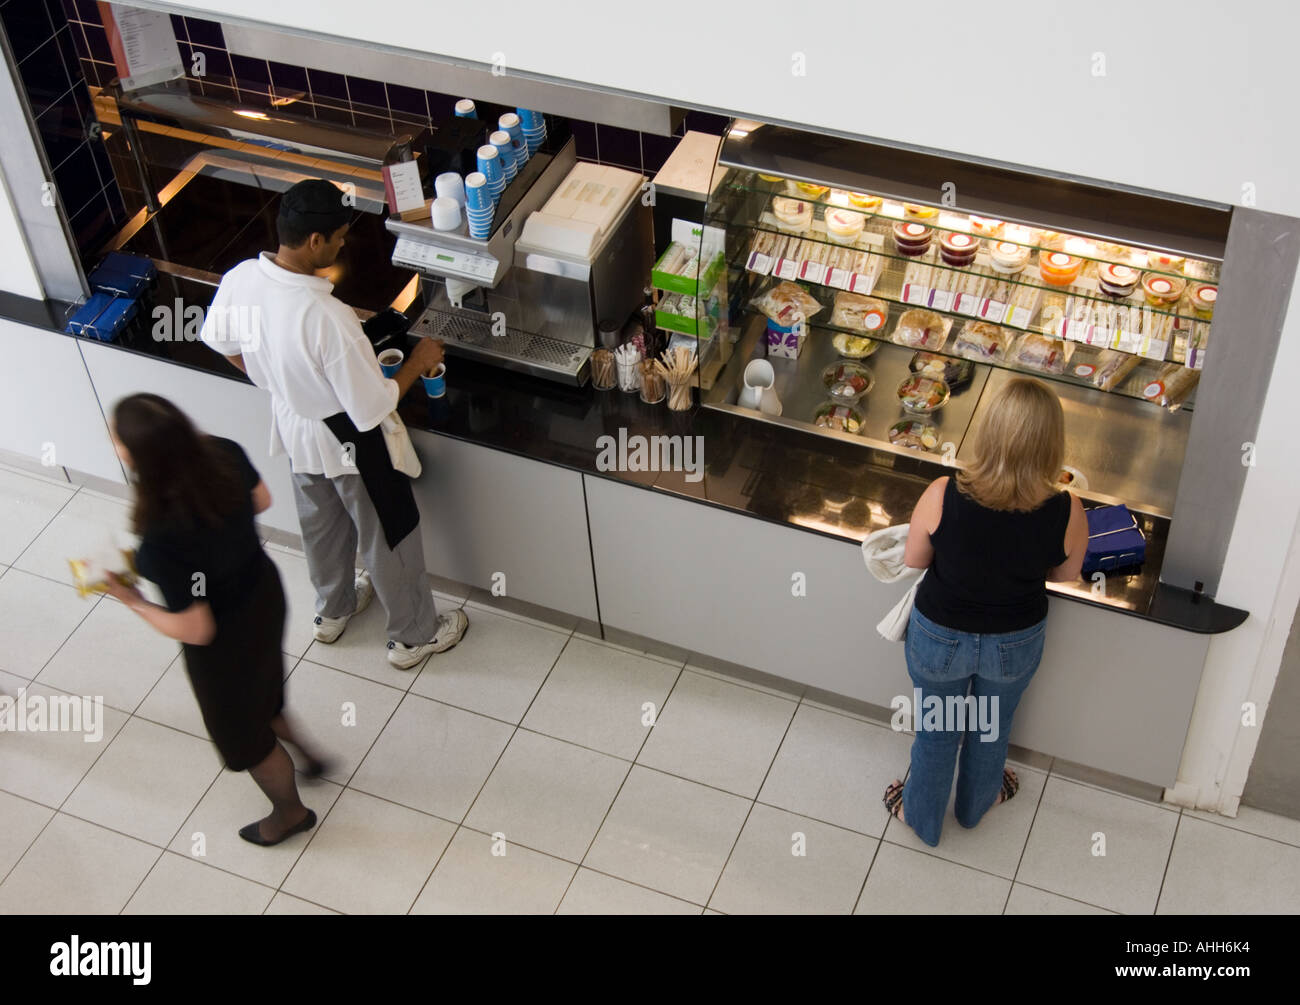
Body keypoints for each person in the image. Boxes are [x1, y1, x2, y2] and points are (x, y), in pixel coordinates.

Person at [198, 178, 467, 669]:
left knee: (319, 526)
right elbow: (372, 407)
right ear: (315, 241)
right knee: (388, 534)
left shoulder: (241, 278)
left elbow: (221, 342)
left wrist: (279, 377)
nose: (345, 243)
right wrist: (420, 359)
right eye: (341, 236)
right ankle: (413, 636)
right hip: (350, 440)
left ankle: (333, 611)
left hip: (294, 426)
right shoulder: (327, 316)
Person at [104, 394, 329, 846]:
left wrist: (133, 600)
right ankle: (309, 756)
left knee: (244, 736)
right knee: (266, 686)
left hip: (224, 641)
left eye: (117, 437)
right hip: (263, 596)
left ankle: (290, 813)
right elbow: (261, 499)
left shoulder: (161, 536)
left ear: (136, 455)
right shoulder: (221, 451)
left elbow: (196, 628)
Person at [883, 377, 1088, 847]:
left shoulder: (943, 491)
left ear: (989, 431)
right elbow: (1064, 576)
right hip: (1014, 642)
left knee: (937, 731)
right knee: (991, 727)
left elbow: (914, 560)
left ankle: (921, 818)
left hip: (940, 638)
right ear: (1051, 442)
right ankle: (977, 806)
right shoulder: (1067, 507)